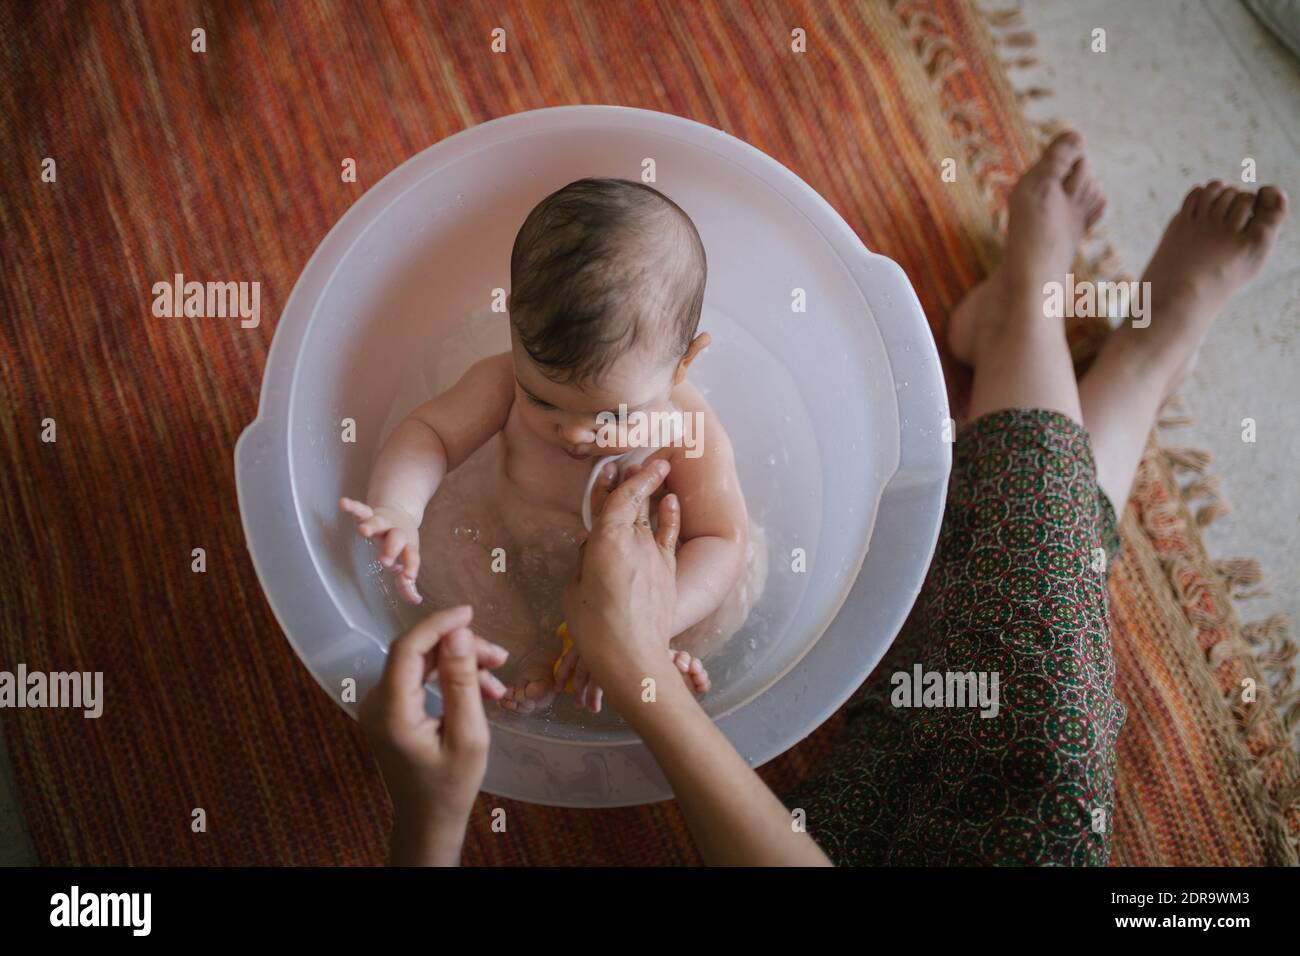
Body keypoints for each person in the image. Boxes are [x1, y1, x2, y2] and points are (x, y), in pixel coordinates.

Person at [361, 132, 1287, 866]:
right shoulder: (501, 383)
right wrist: (402, 512)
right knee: (484, 615)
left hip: (663, 587)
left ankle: (1051, 331)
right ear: (515, 342)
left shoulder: (684, 426)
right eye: (541, 397)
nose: (567, 431)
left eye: (605, 416)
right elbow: (431, 437)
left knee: (728, 602)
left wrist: (663, 618)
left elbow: (720, 538)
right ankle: (1059, 335)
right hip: (524, 558)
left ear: (686, 366)